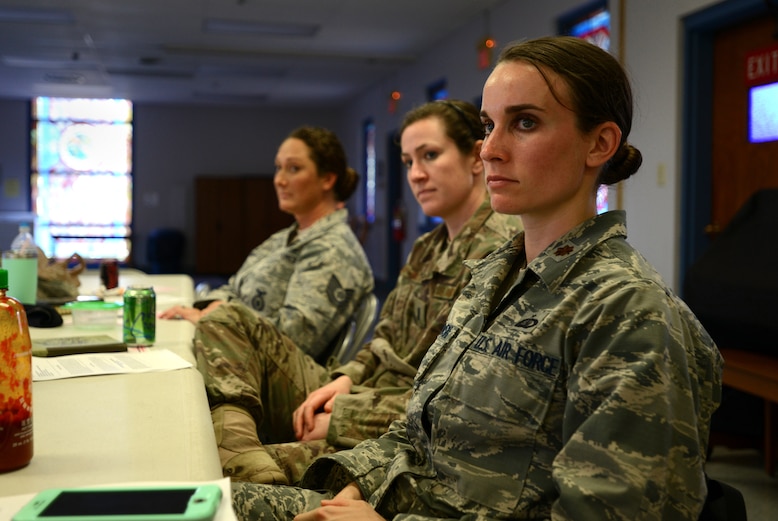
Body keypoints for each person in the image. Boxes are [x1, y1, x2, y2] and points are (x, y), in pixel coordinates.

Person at [231, 36, 723, 520]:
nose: (490, 149)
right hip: (391, 491)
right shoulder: (495, 277)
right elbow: (419, 431)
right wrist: (359, 482)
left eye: (525, 123)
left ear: (600, 143)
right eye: (489, 125)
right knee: (195, 492)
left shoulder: (628, 314)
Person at [198, 99, 521, 486]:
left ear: (474, 157)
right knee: (223, 321)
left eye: (430, 156)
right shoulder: (426, 247)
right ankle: (241, 459)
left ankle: (246, 472)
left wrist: (347, 415)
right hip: (368, 395)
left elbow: (457, 396)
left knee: (225, 474)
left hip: (401, 423)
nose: (416, 174)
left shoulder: (503, 249)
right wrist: (346, 380)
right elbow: (383, 337)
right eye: (408, 162)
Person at [160, 126, 373, 363]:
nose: (280, 180)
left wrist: (222, 316)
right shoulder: (286, 238)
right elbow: (234, 287)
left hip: (264, 375)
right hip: (233, 349)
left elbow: (293, 340)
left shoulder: (334, 250)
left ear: (327, 179)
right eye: (278, 168)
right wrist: (206, 308)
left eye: (294, 168)